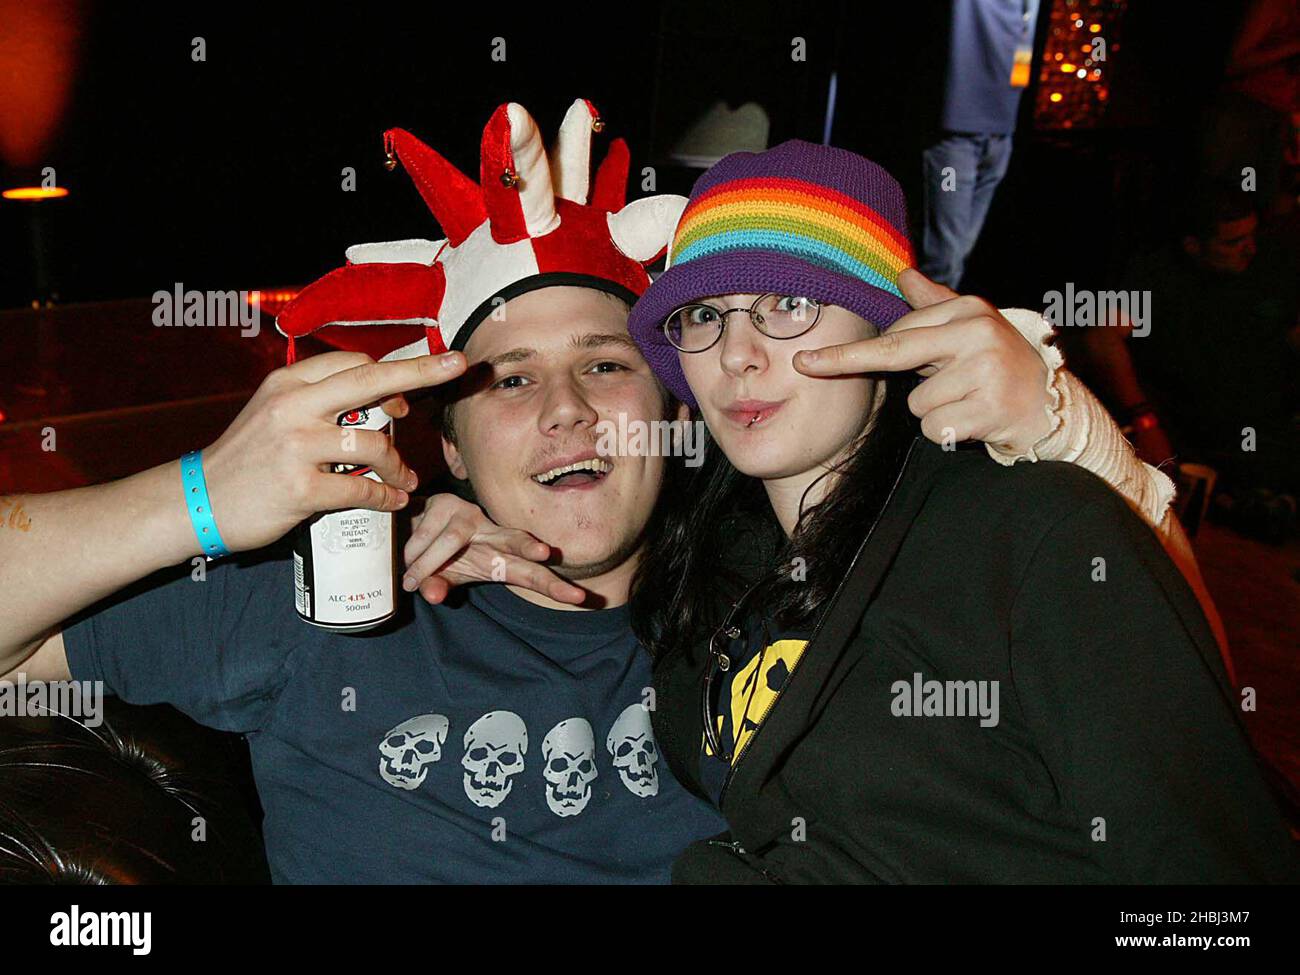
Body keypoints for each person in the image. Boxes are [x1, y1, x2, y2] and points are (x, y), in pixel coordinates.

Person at [0, 102, 1210, 884]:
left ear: (672, 410)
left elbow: (1162, 701)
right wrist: (203, 498)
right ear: (452, 450)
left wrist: (1069, 431)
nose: (567, 408)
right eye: (509, 379)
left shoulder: (769, 602)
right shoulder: (320, 600)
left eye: (606, 363)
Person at [614, 140, 1296, 883]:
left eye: (790, 303)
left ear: (888, 330)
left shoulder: (1034, 535)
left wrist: (1078, 433)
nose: (737, 353)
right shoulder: (710, 556)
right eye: (706, 312)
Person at [918, 0, 1041, 289]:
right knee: (944, 260)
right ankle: (913, 329)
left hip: (1001, 132)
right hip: (957, 136)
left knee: (958, 256)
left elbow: (1023, 45)